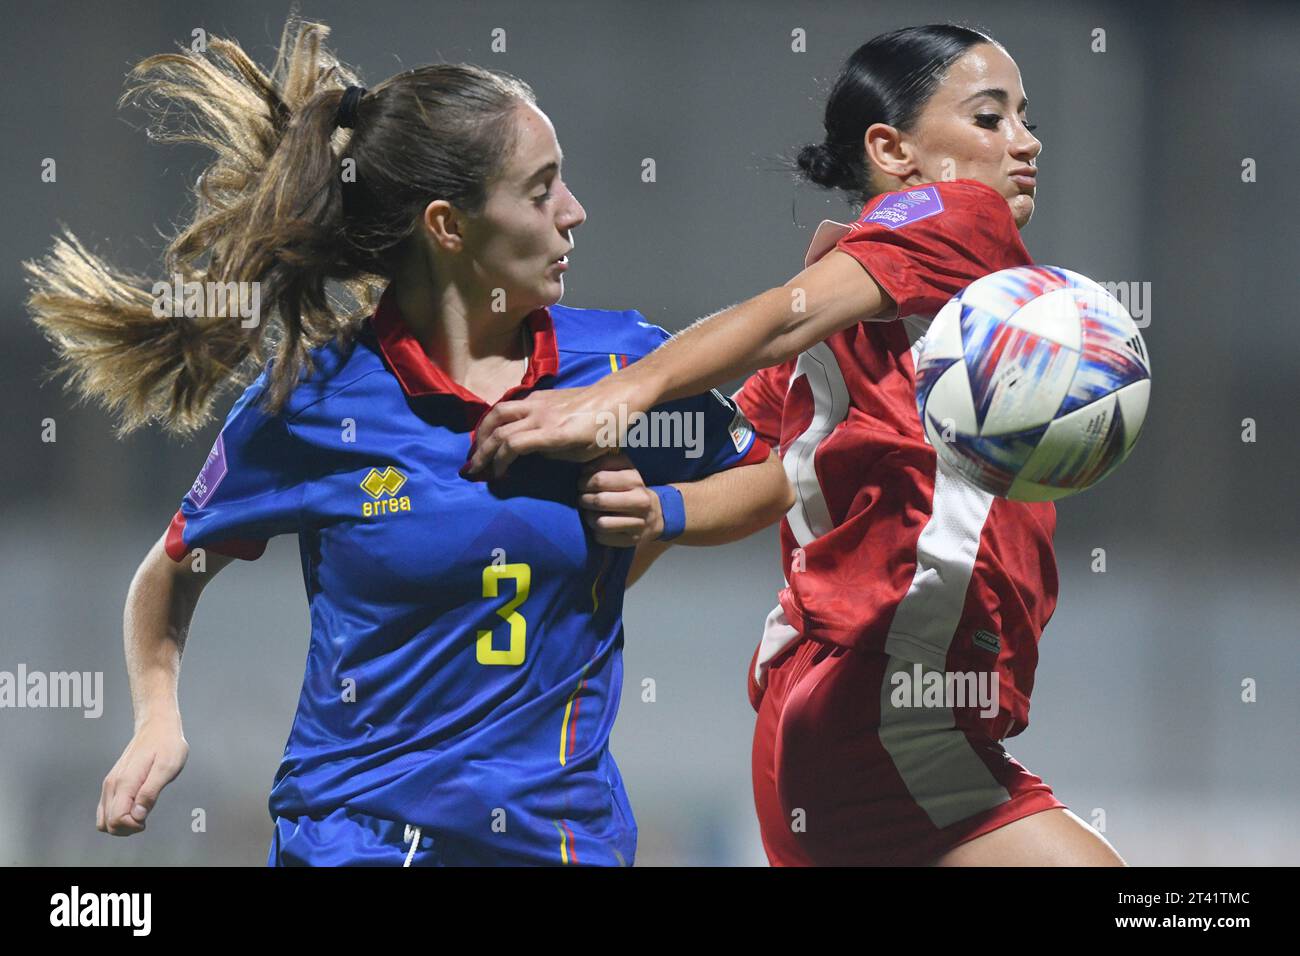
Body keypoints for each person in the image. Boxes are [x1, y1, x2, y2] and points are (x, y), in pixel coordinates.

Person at [24, 16, 791, 866]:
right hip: (351, 837)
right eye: (541, 191)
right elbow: (173, 567)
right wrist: (156, 721)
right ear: (448, 225)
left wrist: (665, 512)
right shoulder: (314, 402)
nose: (575, 213)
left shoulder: (620, 366)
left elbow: (768, 481)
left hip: (555, 839)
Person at [466, 24, 1127, 866]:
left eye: (1027, 119)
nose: (1025, 142)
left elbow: (760, 476)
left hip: (822, 711)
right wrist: (619, 393)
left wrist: (651, 520)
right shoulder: (960, 217)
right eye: (990, 118)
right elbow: (785, 316)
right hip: (886, 714)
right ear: (893, 150)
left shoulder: (863, 332)